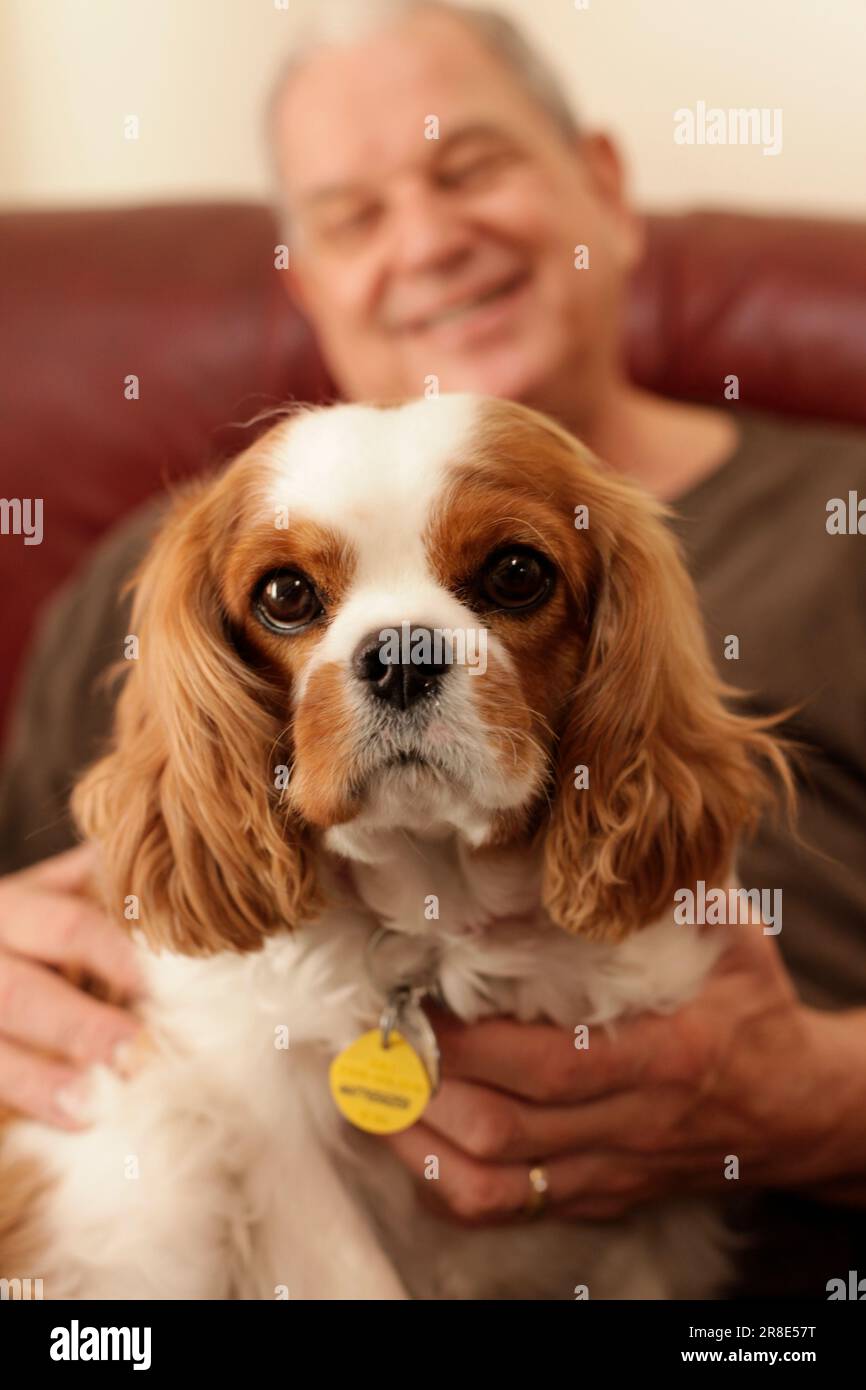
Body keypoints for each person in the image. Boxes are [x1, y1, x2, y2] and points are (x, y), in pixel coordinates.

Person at [1, 0, 865, 1295]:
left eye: (469, 168)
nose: (426, 239)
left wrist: (817, 1099)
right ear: (303, 280)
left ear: (608, 190)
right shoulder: (155, 568)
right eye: (352, 213)